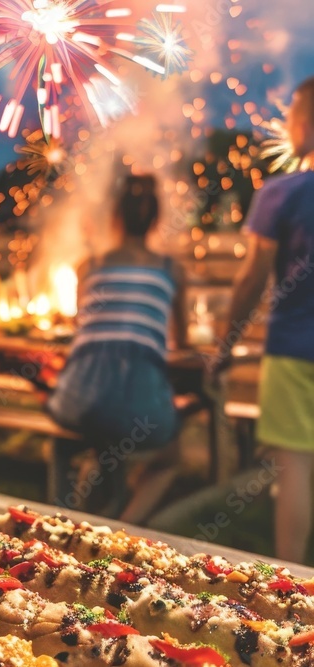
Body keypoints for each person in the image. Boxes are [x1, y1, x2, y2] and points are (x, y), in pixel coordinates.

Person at [47, 174, 188, 520]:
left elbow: (85, 327)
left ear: (115, 218)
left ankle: (81, 512)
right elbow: (180, 344)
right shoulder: (172, 270)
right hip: (138, 405)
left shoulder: (87, 268)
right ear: (156, 219)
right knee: (171, 458)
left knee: (101, 427)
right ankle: (127, 526)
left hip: (77, 399)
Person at [215, 76, 314, 563]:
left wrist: (226, 344)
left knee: (295, 464)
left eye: (295, 114)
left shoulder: (282, 193)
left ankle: (293, 580)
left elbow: (251, 280)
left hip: (293, 351)